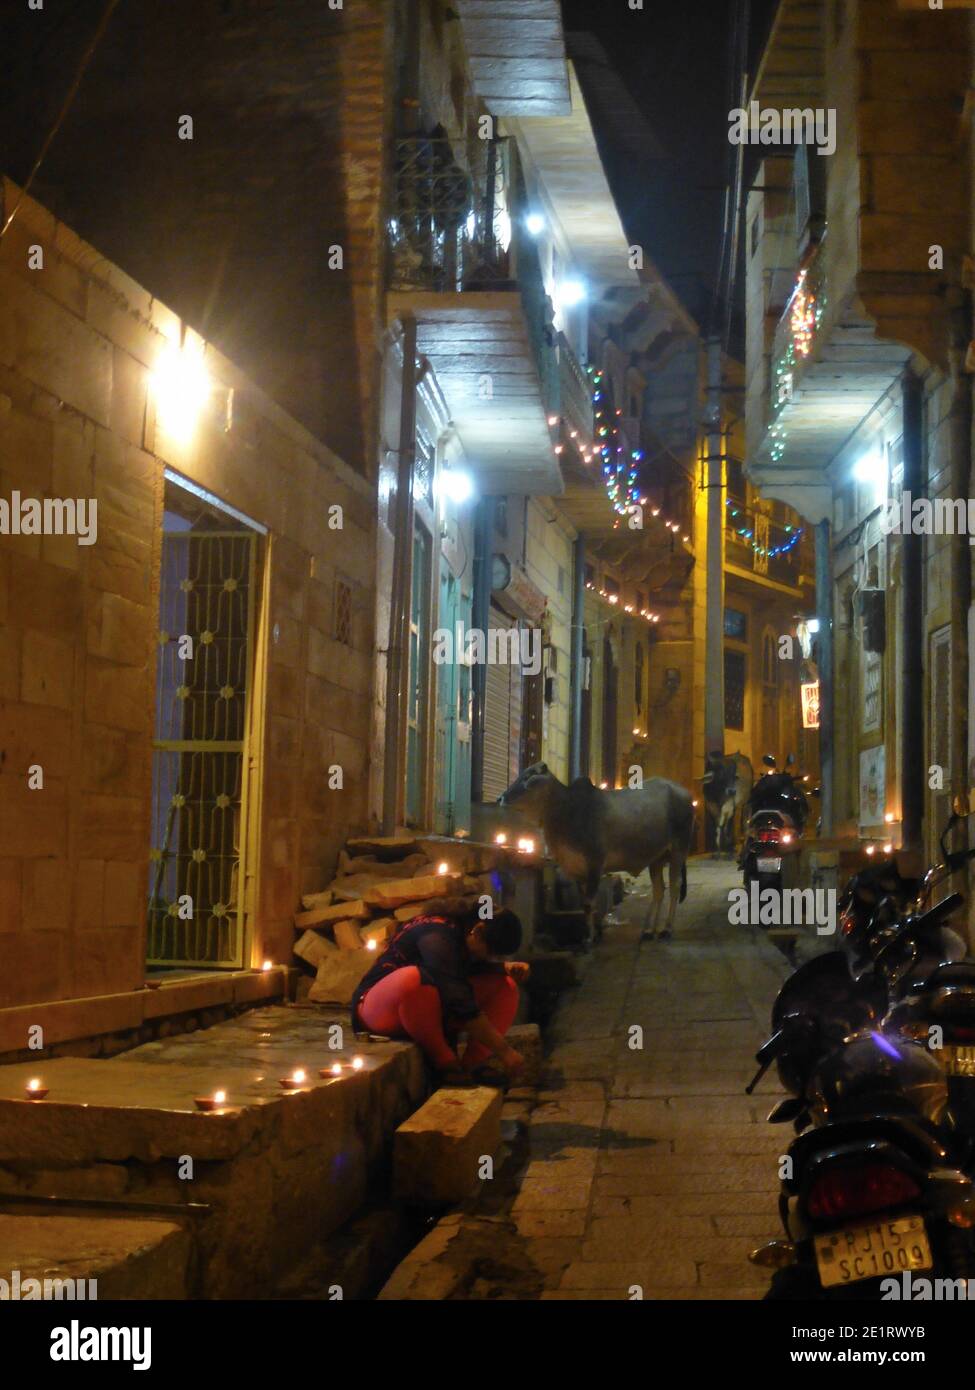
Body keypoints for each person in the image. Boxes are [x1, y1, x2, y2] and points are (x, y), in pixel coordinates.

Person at [351, 907, 529, 1083]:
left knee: (505, 986)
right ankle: (446, 1063)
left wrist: (502, 969)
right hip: (379, 1009)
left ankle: (471, 1065)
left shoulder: (459, 933)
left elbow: (456, 970)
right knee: (414, 980)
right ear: (478, 930)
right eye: (490, 953)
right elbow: (455, 992)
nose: (489, 958)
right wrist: (504, 1051)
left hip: (427, 1010)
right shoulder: (435, 934)